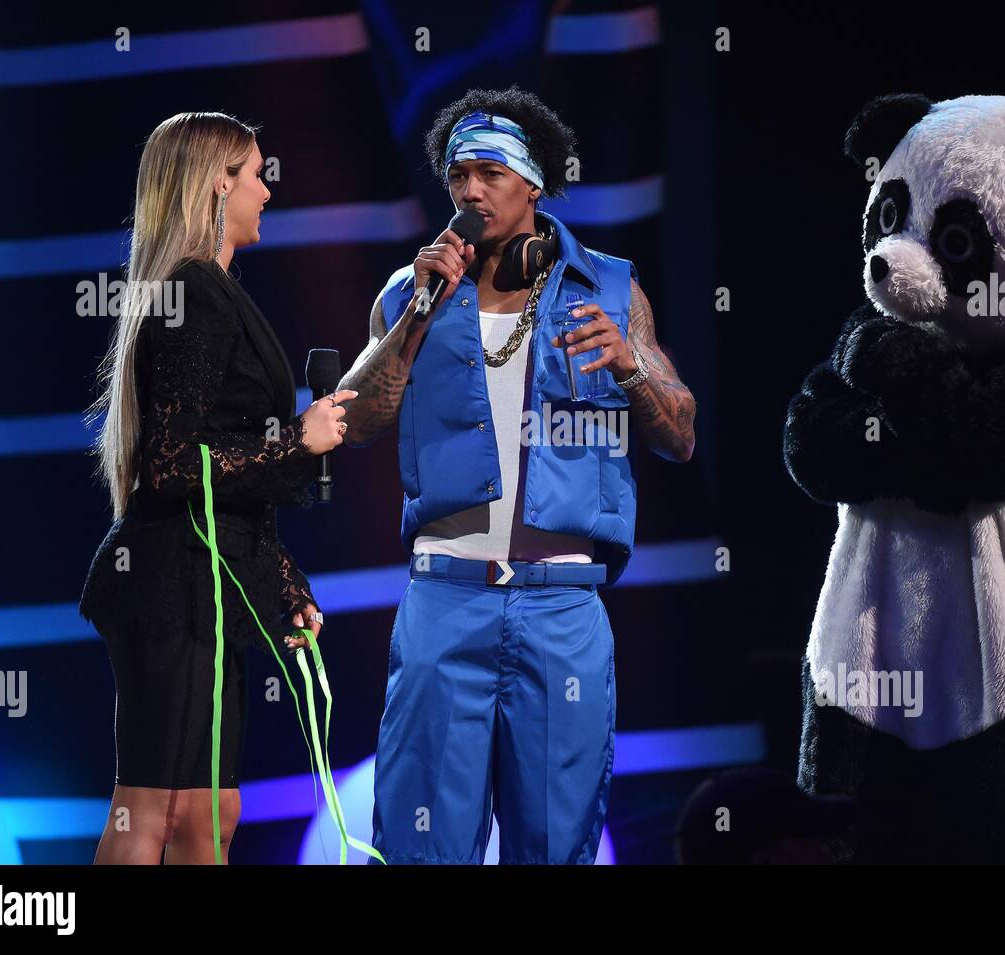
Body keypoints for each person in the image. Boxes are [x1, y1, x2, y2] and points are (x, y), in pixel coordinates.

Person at [339, 87, 697, 864]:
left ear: (532, 183)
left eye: (490, 172)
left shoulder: (608, 288)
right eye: (458, 174)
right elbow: (356, 421)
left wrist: (633, 368)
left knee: (553, 844)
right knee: (421, 844)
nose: (470, 190)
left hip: (561, 610)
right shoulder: (408, 294)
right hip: (445, 598)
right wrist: (413, 319)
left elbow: (680, 434)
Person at [79, 111, 354, 864]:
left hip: (210, 579)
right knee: (155, 811)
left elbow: (221, 475)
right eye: (256, 174)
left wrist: (283, 581)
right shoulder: (193, 293)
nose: (268, 191)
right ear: (214, 185)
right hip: (171, 582)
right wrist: (297, 438)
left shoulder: (208, 290)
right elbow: (174, 462)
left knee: (211, 814)